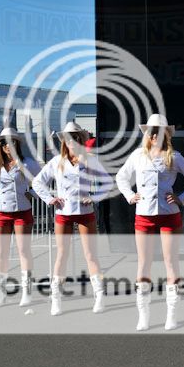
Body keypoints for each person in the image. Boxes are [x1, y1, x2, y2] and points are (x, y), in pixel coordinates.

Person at [115, 114, 184, 331]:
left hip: (169, 215)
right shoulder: (137, 156)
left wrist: (181, 198)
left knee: (171, 262)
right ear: (148, 135)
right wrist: (129, 195)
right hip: (143, 215)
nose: (155, 135)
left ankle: (171, 314)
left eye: (159, 131)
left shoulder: (174, 156)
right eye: (151, 131)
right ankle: (143, 315)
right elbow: (121, 177)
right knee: (143, 263)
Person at [32, 122, 114, 316]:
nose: (72, 141)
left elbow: (108, 183)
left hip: (85, 212)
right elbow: (37, 182)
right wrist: (50, 199)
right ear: (64, 141)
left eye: (76, 137)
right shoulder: (56, 162)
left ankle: (100, 296)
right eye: (69, 138)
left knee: (91, 255)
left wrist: (93, 197)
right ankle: (56, 299)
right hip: (63, 212)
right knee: (62, 255)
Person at [0, 127, 42, 308]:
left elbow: (43, 179)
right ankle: (0, 293)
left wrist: (32, 193)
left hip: (22, 212)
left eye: (12, 143)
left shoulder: (27, 163)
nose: (9, 147)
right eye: (5, 144)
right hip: (1, 213)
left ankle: (26, 292)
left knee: (23, 251)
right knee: (1, 253)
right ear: (1, 146)